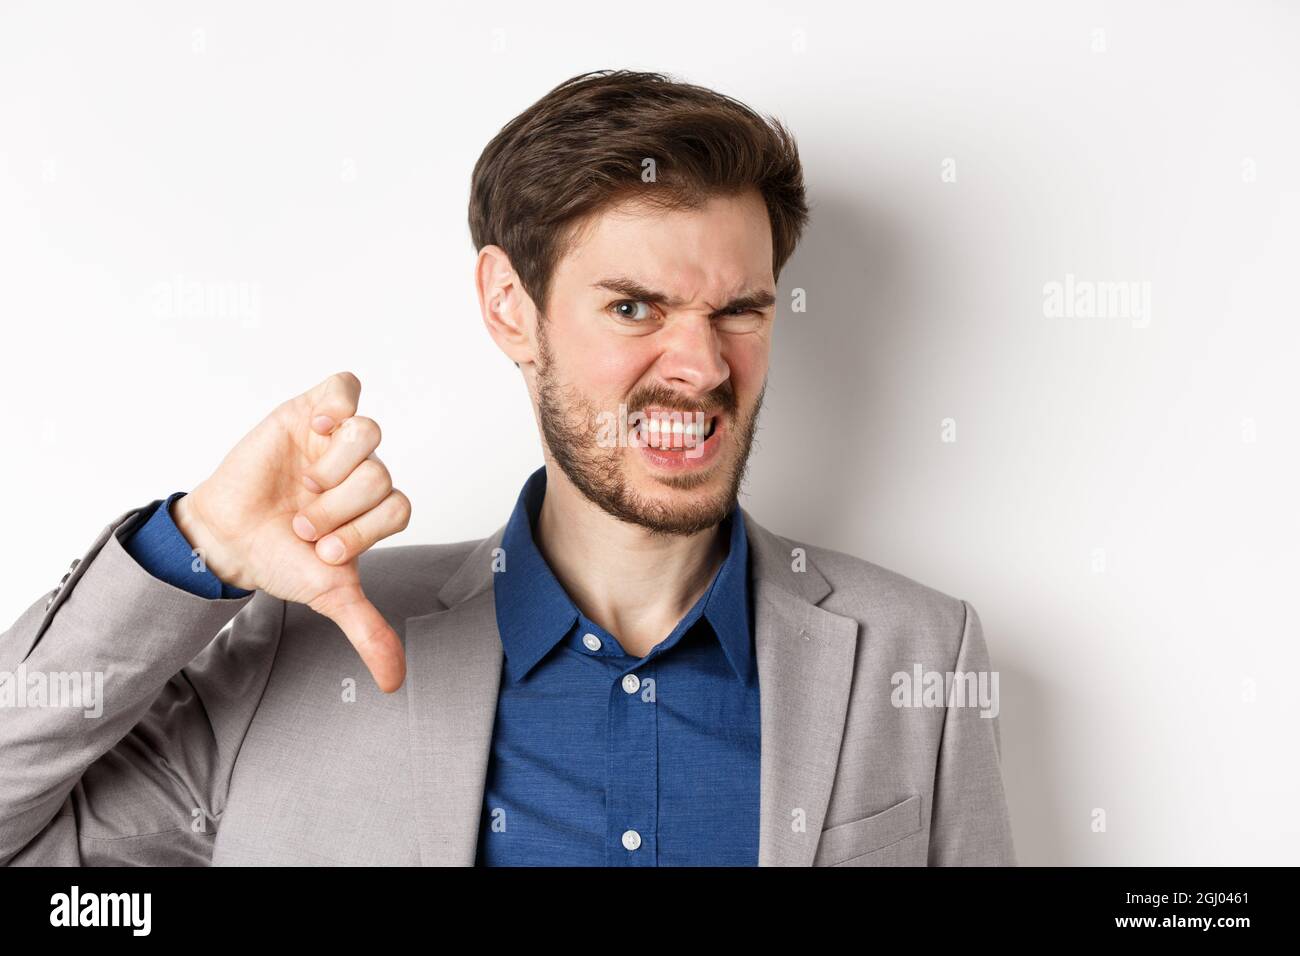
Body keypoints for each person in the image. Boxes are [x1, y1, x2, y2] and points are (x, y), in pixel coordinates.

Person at [0, 69, 1014, 866]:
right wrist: (200, 549)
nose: (703, 366)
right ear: (508, 308)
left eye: (738, 310)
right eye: (635, 307)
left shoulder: (914, 651)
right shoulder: (301, 654)